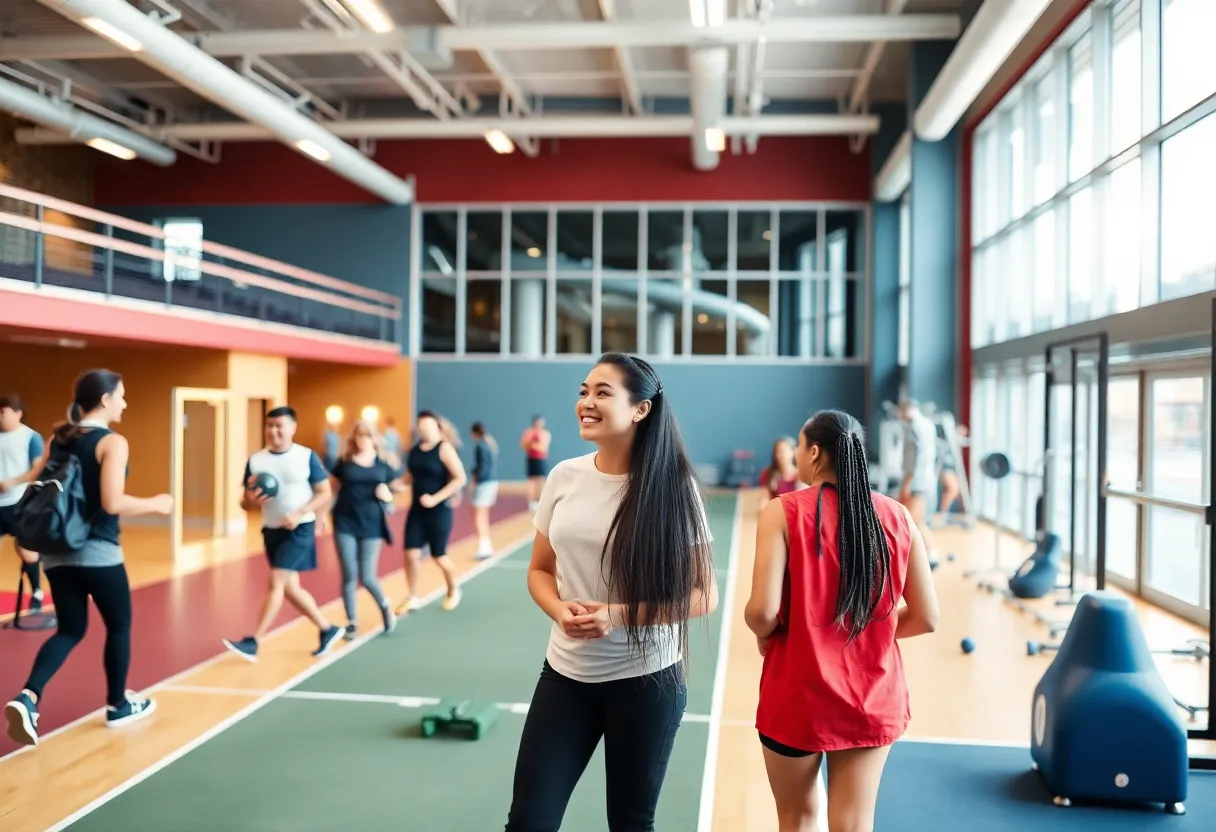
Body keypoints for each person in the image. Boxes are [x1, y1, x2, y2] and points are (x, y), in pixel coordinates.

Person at [504, 353, 717, 832]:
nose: (586, 402)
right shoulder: (563, 476)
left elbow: (704, 594)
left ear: (640, 409)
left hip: (648, 683)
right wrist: (560, 611)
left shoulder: (675, 488)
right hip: (565, 678)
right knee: (528, 823)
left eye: (603, 392)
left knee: (630, 824)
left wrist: (618, 616)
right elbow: (539, 570)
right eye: (584, 391)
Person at [745, 410, 939, 832]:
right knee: (853, 824)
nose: (794, 454)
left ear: (814, 453)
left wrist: (770, 633)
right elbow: (927, 617)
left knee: (796, 820)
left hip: (797, 695)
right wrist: (873, 633)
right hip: (871, 696)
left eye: (798, 446)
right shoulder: (899, 517)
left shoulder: (782, 512)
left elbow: (760, 612)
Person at [5, 370, 173, 747]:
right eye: (122, 396)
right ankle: (117, 705)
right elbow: (112, 502)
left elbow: (33, 482)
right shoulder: (111, 442)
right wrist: (157, 504)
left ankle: (28, 697)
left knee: (70, 629)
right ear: (105, 399)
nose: (125, 403)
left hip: (57, 554)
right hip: (98, 551)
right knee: (119, 625)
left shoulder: (58, 438)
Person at [222, 406, 343, 661]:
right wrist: (252, 500)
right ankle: (327, 628)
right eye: (270, 426)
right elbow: (245, 502)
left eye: (279, 426)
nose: (274, 431)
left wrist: (301, 513)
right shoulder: (256, 461)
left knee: (276, 581)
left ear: (292, 428)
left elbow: (325, 493)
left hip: (300, 528)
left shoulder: (306, 456)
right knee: (289, 588)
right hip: (272, 529)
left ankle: (253, 641)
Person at [328, 419, 400, 641]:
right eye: (359, 435)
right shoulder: (344, 463)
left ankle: (385, 606)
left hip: (372, 524)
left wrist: (387, 498)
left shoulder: (383, 465)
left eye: (367, 435)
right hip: (344, 522)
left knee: (367, 576)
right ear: (354, 439)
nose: (363, 439)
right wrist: (322, 514)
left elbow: (391, 499)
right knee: (349, 573)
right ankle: (351, 622)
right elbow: (331, 489)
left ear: (373, 438)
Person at [394, 411, 467, 615]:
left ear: (437, 427)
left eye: (428, 424)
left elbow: (460, 478)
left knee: (439, 556)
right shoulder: (415, 450)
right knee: (410, 553)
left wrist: (436, 498)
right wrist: (398, 485)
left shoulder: (444, 448)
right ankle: (413, 596)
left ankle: (453, 589)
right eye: (421, 425)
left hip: (439, 511)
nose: (423, 428)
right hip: (417, 511)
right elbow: (410, 476)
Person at [0, 395, 46, 614]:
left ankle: (36, 592)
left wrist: (12, 482)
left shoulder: (30, 437)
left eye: (3, 412)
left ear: (18, 413)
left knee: (26, 550)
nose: (0, 416)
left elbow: (37, 469)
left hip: (20, 502)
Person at [898, 400, 940, 565]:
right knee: (915, 520)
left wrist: (907, 482)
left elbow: (915, 460)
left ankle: (931, 554)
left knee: (915, 520)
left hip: (918, 482)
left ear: (906, 411)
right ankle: (919, 555)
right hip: (927, 480)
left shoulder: (913, 427)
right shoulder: (928, 424)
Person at [468, 422, 499, 560]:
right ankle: (486, 545)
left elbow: (482, 466)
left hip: (485, 483)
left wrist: (476, 480)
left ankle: (483, 547)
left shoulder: (481, 446)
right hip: (492, 482)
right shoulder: (491, 444)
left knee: (479, 516)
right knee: (483, 516)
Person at [759, 436, 801, 509]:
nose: (780, 455)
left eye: (783, 451)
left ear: (793, 452)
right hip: (775, 514)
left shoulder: (801, 475)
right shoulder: (768, 473)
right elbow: (764, 500)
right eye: (777, 451)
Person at [519, 415, 550, 511]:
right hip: (531, 459)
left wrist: (533, 445)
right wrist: (530, 442)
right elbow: (523, 445)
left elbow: (543, 448)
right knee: (532, 481)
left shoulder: (545, 433)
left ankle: (540, 501)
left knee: (540, 481)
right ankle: (531, 502)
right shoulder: (528, 432)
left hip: (541, 459)